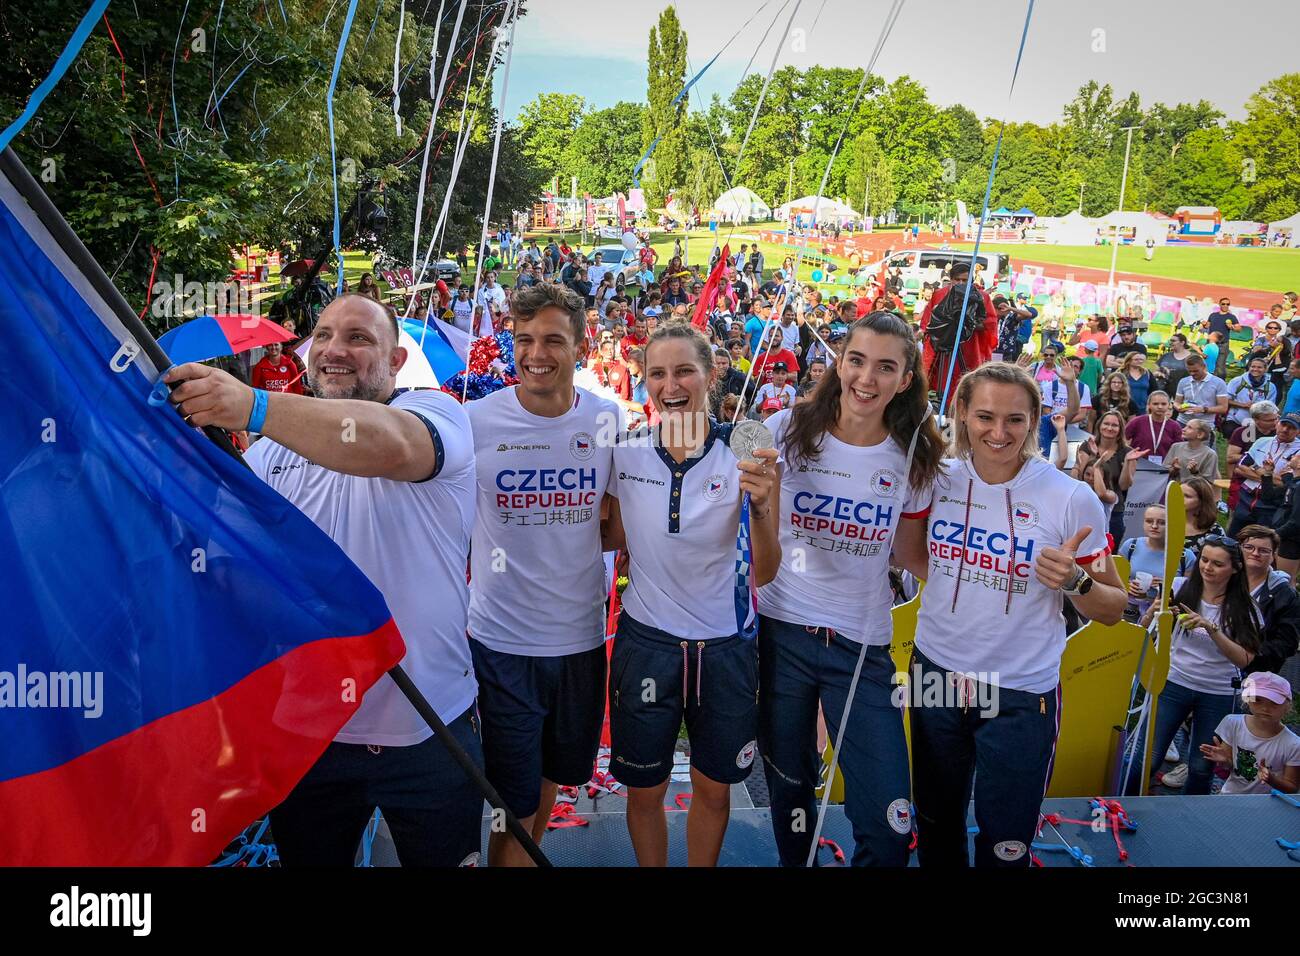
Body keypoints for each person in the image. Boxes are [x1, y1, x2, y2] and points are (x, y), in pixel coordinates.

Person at [165, 294, 482, 866]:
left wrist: (253, 405)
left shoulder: (440, 415)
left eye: (359, 338)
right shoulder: (267, 456)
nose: (336, 349)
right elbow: (229, 576)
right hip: (312, 733)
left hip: (430, 722)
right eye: (326, 335)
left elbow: (388, 443)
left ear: (397, 361)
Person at [893, 362, 1126, 868]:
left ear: (1036, 419)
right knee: (935, 821)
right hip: (938, 674)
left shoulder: (1072, 498)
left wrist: (1076, 582)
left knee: (1007, 837)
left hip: (1020, 689)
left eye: (1015, 420)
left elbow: (1113, 607)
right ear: (960, 414)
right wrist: (973, 583)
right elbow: (912, 557)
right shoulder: (936, 480)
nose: (999, 433)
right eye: (985, 417)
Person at [759, 312, 944, 867]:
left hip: (862, 647)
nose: (867, 378)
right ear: (839, 363)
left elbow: (913, 557)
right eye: (857, 360)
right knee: (791, 798)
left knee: (890, 822)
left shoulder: (915, 457)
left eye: (885, 367)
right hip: (781, 634)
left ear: (905, 379)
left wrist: (1008, 587)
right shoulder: (785, 430)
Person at [604, 323, 780, 867]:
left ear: (710, 374)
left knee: (714, 787)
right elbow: (608, 533)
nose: (670, 384)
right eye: (657, 373)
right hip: (647, 646)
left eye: (684, 371)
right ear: (645, 380)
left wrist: (764, 507)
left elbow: (767, 572)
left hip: (724, 649)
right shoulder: (625, 452)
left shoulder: (745, 449)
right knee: (645, 788)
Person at [463, 283, 620, 867]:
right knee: (514, 800)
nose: (536, 354)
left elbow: (616, 523)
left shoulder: (607, 418)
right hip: (503, 644)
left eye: (553, 340)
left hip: (579, 642)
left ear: (581, 344)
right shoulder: (475, 420)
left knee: (552, 780)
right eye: (524, 339)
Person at [1134, 537, 1262, 795]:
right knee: (1147, 757)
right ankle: (1125, 806)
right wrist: (1152, 613)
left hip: (1218, 692)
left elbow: (1244, 659)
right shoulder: (1179, 587)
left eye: (1217, 563)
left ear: (1235, 569)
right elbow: (1145, 630)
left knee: (1201, 766)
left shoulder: (1244, 608)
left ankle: (1189, 820)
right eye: (1204, 560)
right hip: (1173, 681)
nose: (1207, 567)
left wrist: (1211, 628)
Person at [1201, 672, 1299, 794]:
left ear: (1287, 706)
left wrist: (1272, 780)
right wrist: (1224, 761)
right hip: (1230, 797)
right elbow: (1230, 767)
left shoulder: (1294, 744)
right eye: (1257, 700)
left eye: (1274, 702)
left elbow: (1292, 787)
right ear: (1248, 700)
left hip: (1269, 806)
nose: (1265, 708)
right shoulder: (1232, 723)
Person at [919, 261, 997, 406]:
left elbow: (989, 323)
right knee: (944, 384)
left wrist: (969, 323)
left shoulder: (982, 297)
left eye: (965, 280)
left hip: (970, 349)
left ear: (971, 281)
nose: (961, 283)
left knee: (968, 385)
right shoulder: (940, 294)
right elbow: (928, 321)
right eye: (957, 279)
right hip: (944, 350)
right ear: (951, 279)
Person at [1235, 525, 1300, 672]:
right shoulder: (1224, 579)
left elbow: (1287, 643)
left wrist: (1251, 655)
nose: (1255, 553)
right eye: (1249, 547)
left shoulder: (1285, 595)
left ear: (1274, 555)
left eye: (1264, 550)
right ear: (1239, 548)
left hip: (1255, 673)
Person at [1118, 505, 1194, 622]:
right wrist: (1127, 585)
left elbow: (1190, 592)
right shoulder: (1131, 545)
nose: (1154, 526)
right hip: (1128, 609)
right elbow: (1116, 578)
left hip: (1163, 614)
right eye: (1149, 521)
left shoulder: (1185, 556)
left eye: (1162, 523)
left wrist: (1169, 586)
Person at [1231, 412, 1300, 534]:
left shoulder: (1298, 452)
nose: (1285, 429)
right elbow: (1240, 467)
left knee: (1261, 542)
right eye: (1283, 424)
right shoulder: (1262, 441)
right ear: (1277, 423)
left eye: (1292, 428)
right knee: (1233, 538)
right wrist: (1268, 474)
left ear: (1298, 431)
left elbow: (1286, 483)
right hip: (1246, 498)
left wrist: (1255, 468)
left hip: (1271, 504)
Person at [1075, 408, 1132, 542]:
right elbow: (1080, 477)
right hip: (1085, 507)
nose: (1109, 428)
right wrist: (1094, 456)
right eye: (1106, 424)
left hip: (1113, 511)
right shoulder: (1088, 445)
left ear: (1120, 429)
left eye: (1114, 425)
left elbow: (1124, 486)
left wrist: (1128, 463)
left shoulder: (1127, 452)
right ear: (1099, 425)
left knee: (1107, 557)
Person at [1228, 400, 1279, 509]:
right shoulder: (1243, 432)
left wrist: (1250, 462)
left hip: (1270, 480)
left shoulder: (1280, 434)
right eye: (1270, 420)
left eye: (1276, 418)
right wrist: (1256, 461)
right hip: (1244, 480)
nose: (1275, 422)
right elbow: (1231, 457)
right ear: (1256, 420)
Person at [1224, 356, 1277, 439]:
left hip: (1255, 422)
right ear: (1249, 367)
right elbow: (1225, 400)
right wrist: (1243, 405)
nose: (1255, 369)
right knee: (1233, 442)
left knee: (1248, 443)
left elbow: (1270, 406)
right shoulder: (1237, 381)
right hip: (1234, 419)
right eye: (1253, 366)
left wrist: (1257, 408)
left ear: (1265, 369)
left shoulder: (1270, 387)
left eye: (1259, 367)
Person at [1174, 353, 1229, 429]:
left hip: (1204, 424)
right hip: (1183, 422)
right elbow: (1176, 402)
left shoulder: (1218, 383)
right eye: (1189, 371)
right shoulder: (1183, 381)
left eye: (1196, 371)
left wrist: (1204, 409)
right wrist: (1179, 408)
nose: (1192, 373)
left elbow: (1223, 408)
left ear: (1204, 367)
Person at [1164, 419, 1220, 484]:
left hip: (1196, 492)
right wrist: (1175, 469)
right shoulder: (1175, 447)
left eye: (1189, 428)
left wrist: (1195, 472)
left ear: (1200, 434)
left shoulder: (1210, 454)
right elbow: (1164, 472)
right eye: (1185, 426)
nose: (1183, 429)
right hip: (1176, 490)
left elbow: (1208, 482)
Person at [589, 330, 633, 401]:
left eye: (611, 337)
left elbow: (624, 393)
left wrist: (620, 358)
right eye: (606, 349)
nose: (609, 351)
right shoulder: (594, 364)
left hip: (617, 402)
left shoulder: (621, 366)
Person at [1181, 477, 1221, 555]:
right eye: (1178, 494)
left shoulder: (1215, 530)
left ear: (1202, 500)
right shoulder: (1165, 522)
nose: (1180, 498)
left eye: (1187, 496)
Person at [1155, 333, 1195, 398]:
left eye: (1173, 341)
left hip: (1183, 391)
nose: (1170, 343)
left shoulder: (1192, 357)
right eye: (1170, 341)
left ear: (1182, 342)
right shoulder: (1166, 355)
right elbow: (1156, 370)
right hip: (1163, 390)